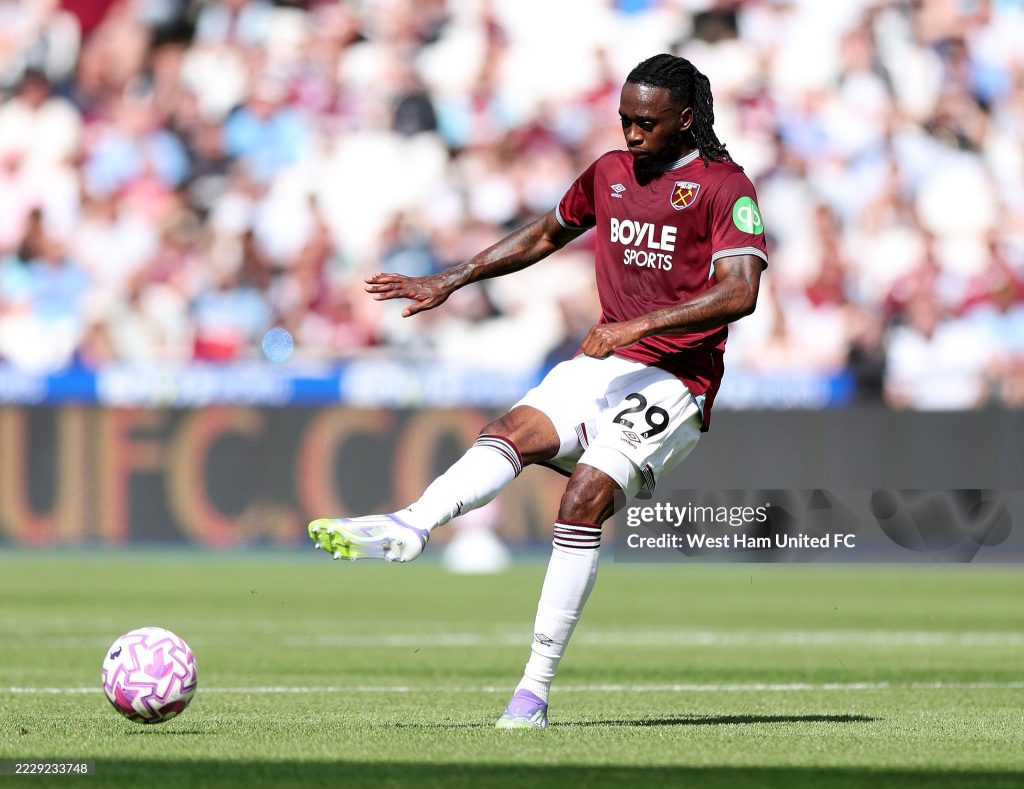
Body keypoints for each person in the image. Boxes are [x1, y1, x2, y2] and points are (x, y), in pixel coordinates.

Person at [308, 53, 767, 728]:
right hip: (606, 357)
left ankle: (532, 691)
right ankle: (411, 525)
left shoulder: (725, 186)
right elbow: (549, 233)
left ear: (686, 119)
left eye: (647, 123)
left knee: (583, 496)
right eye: (625, 121)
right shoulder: (609, 173)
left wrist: (638, 323)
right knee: (510, 432)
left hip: (677, 379)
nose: (633, 135)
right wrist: (454, 276)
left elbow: (741, 291)